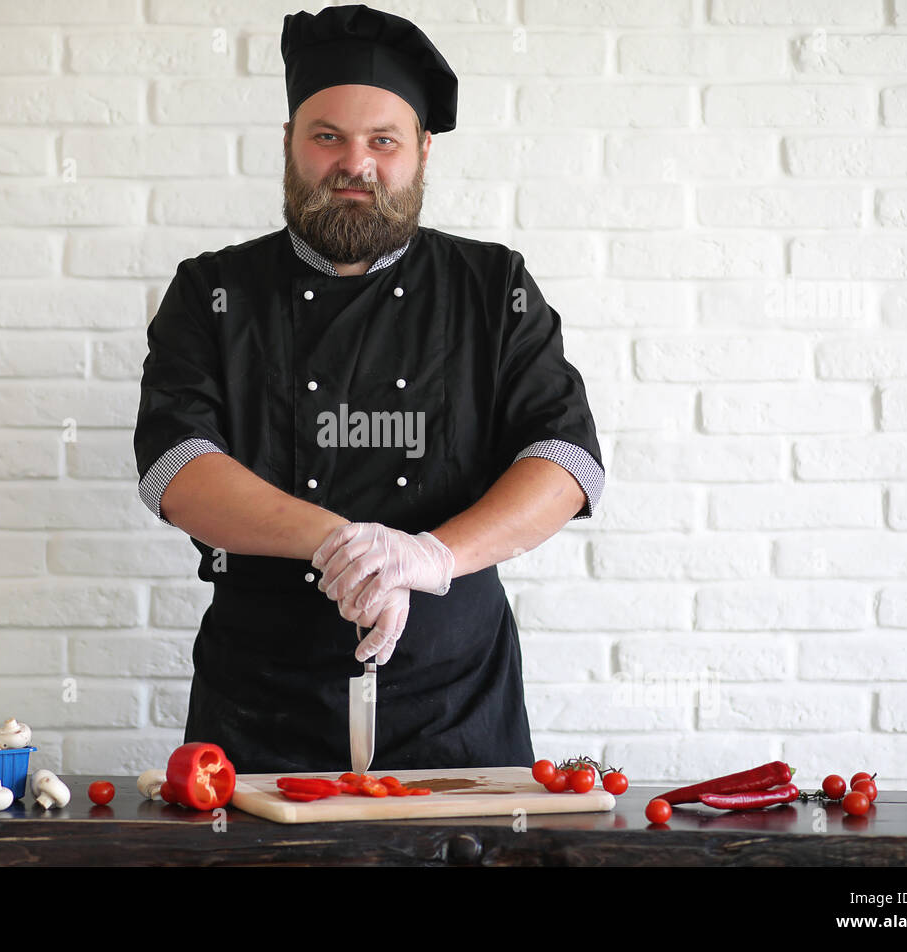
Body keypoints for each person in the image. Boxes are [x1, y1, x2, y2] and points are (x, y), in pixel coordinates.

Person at [133, 4, 604, 774]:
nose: (356, 165)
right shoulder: (212, 292)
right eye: (328, 137)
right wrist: (341, 544)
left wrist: (428, 556)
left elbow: (565, 461)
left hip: (456, 701)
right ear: (289, 142)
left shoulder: (493, 287)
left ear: (423, 150)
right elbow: (175, 470)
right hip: (260, 702)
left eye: (383, 140)